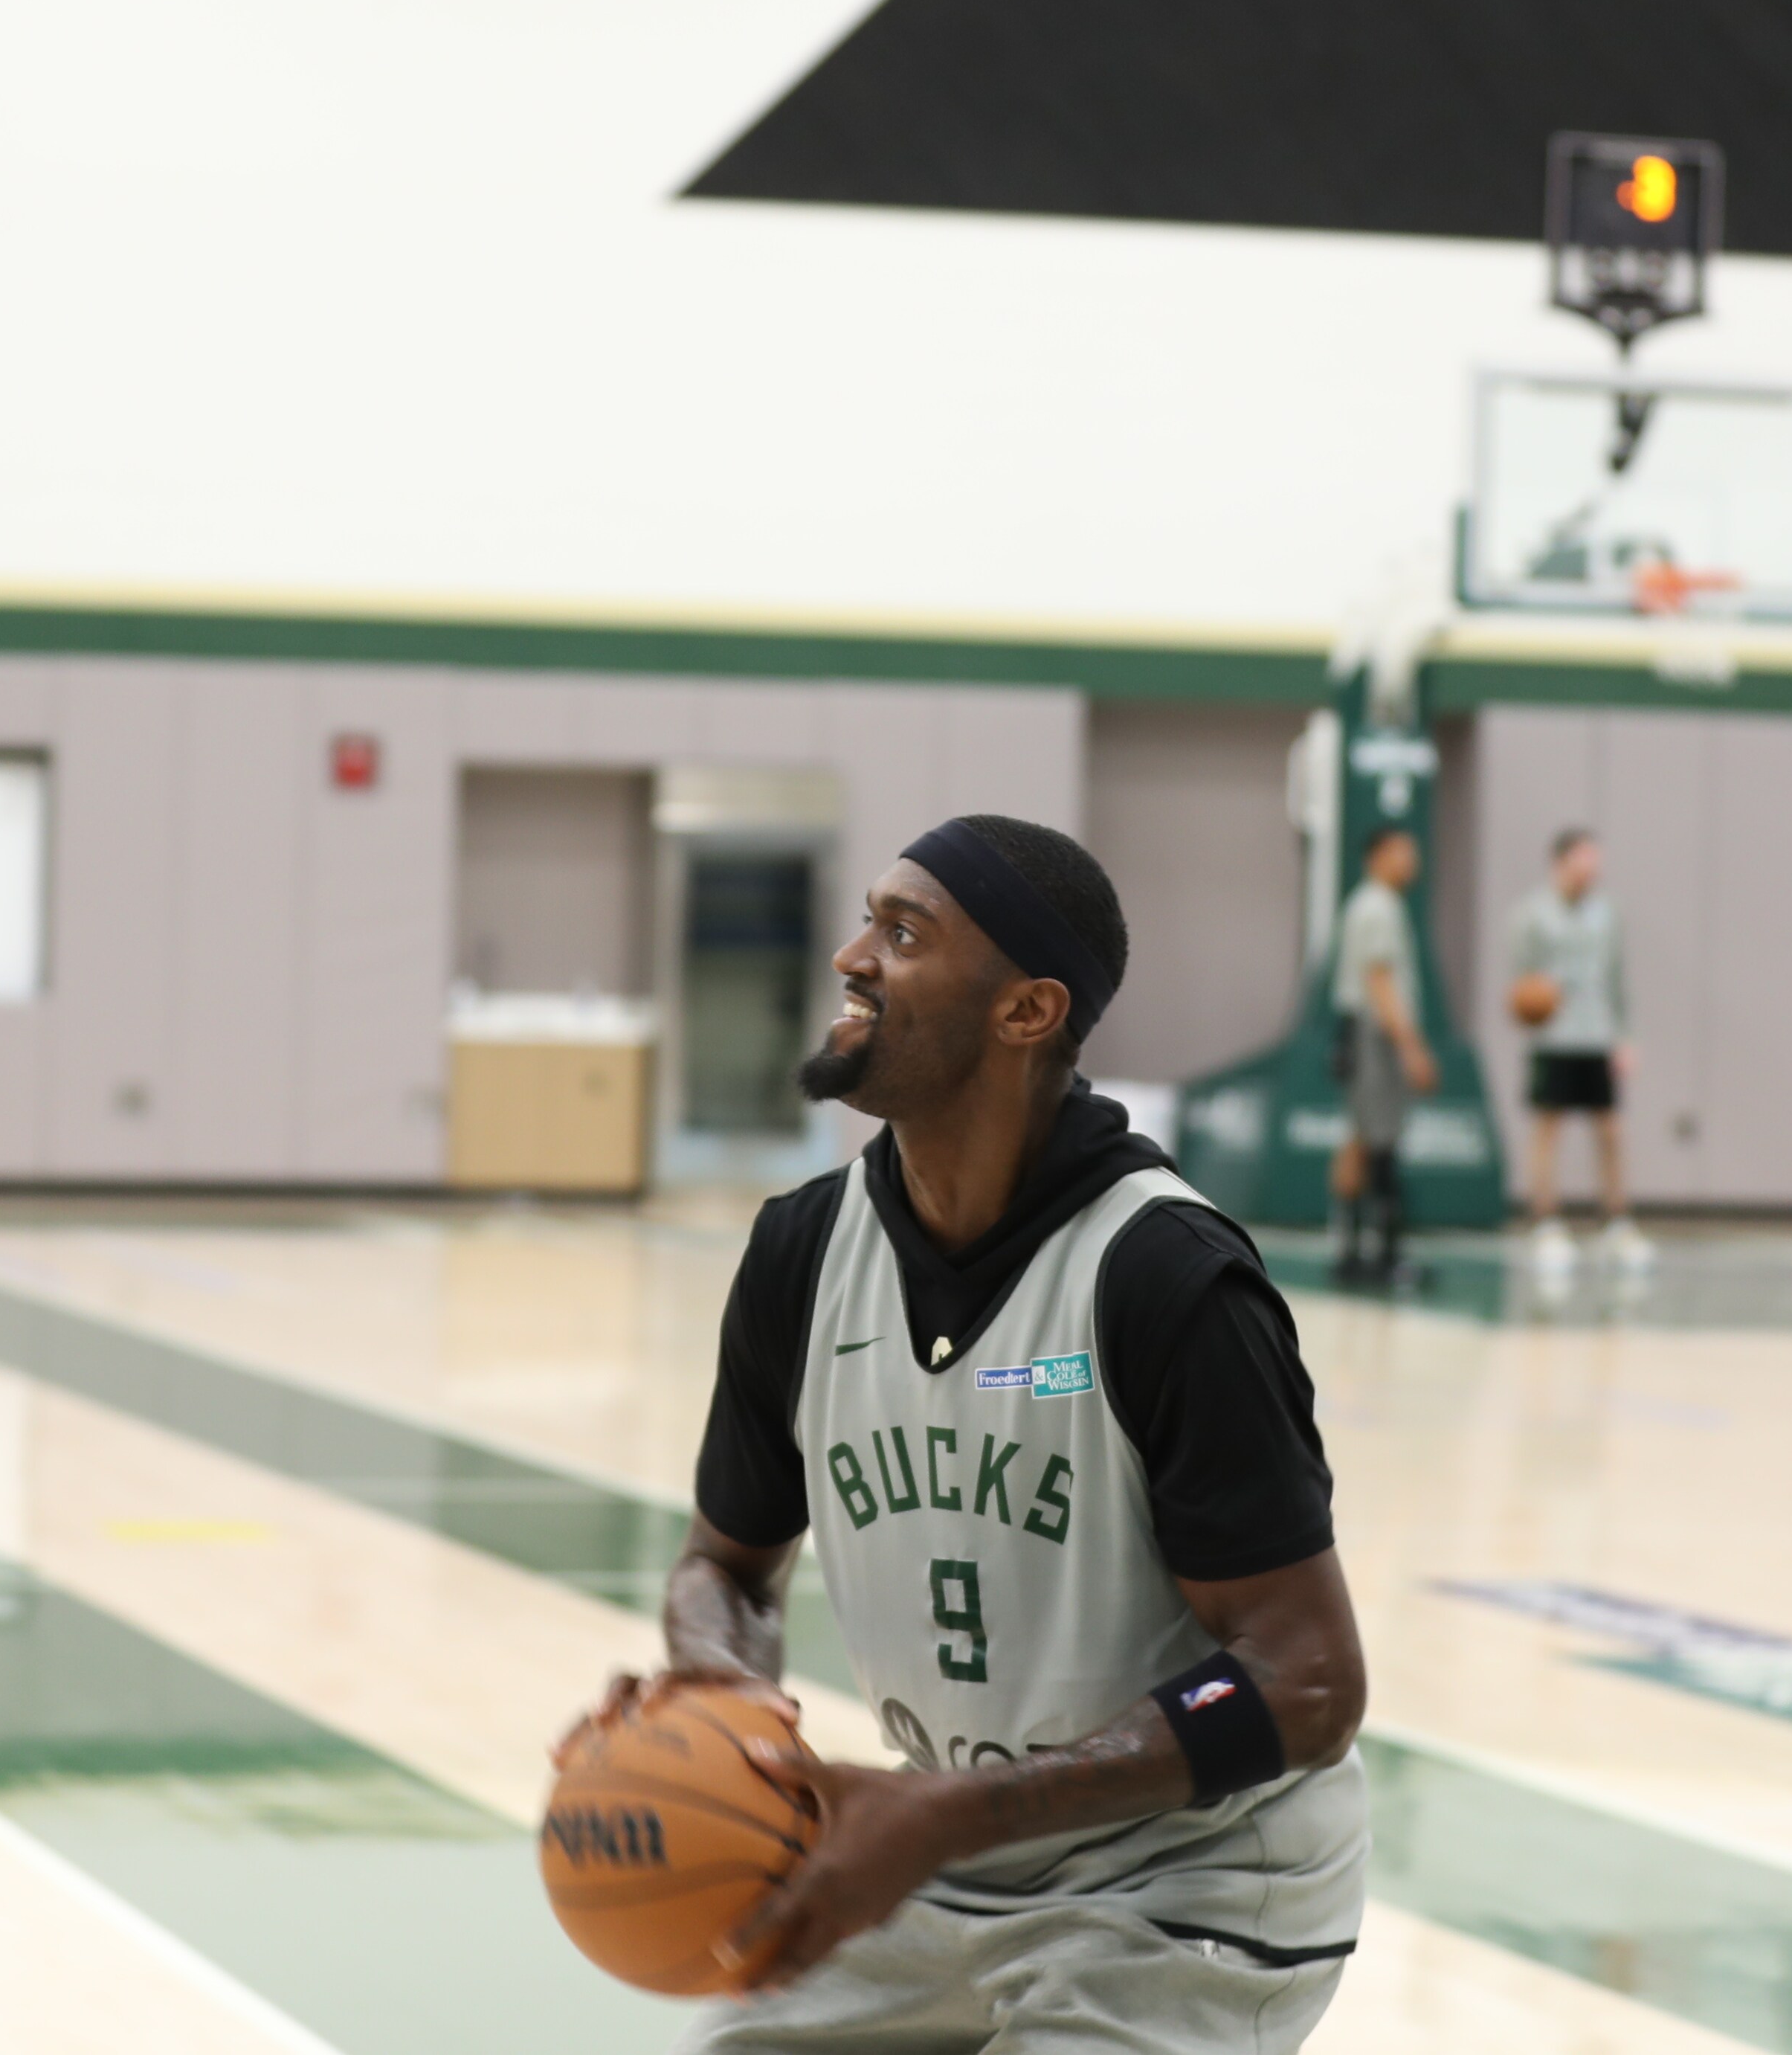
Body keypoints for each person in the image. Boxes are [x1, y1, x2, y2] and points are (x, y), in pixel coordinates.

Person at [593, 814, 1366, 2051]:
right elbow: (723, 1567)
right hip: (947, 1856)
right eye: (868, 920)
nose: (852, 957)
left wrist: (950, 1813)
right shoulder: (803, 1250)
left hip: (1187, 1883)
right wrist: (720, 1698)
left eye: (903, 933)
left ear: (1026, 1011)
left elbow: (1309, 1678)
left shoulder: (1165, 1275)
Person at [1509, 827, 1640, 1279]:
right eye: (1583, 860)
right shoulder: (1532, 914)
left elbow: (1617, 978)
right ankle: (1545, 1221)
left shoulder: (1607, 913)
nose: (1592, 869)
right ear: (1561, 862)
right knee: (1548, 1129)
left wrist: (1624, 1037)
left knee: (1610, 1130)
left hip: (1597, 1033)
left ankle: (1617, 1220)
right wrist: (1533, 1003)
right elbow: (1521, 981)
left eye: (1595, 861)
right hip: (1554, 1037)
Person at [1327, 826, 1437, 1287]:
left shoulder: (1369, 904)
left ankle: (1350, 1249)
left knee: (1360, 1135)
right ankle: (1385, 1254)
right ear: (1379, 856)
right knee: (1380, 1141)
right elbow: (1380, 982)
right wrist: (1412, 1047)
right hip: (1376, 1035)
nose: (1412, 861)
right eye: (1404, 852)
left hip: (1359, 1031)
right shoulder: (1379, 907)